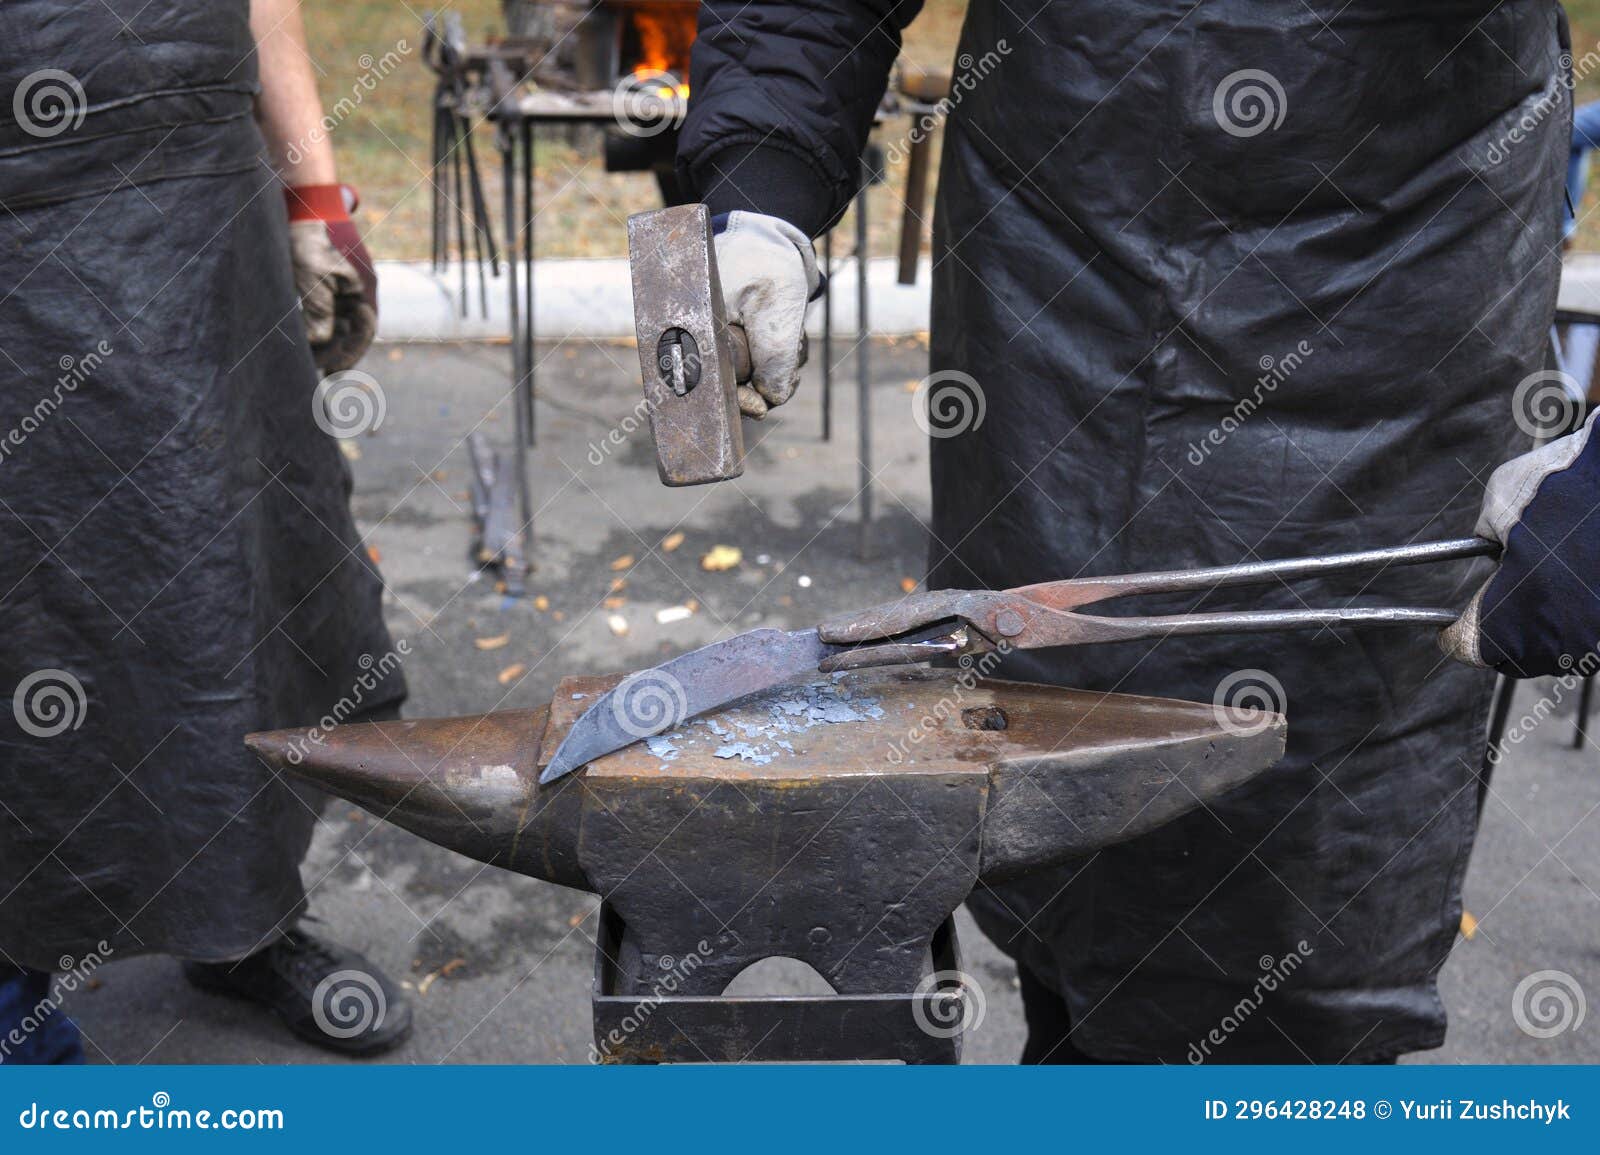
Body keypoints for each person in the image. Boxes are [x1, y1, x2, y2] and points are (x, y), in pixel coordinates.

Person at [682, 2, 1593, 1061]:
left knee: (1293, 860)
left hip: (1399, 289)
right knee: (1054, 779)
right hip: (1054, 257)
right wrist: (765, 186)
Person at [0, 0, 409, 1058]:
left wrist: (314, 197)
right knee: (30, 615)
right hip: (18, 213)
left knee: (226, 588)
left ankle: (241, 921)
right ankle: (16, 1007)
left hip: (200, 200)